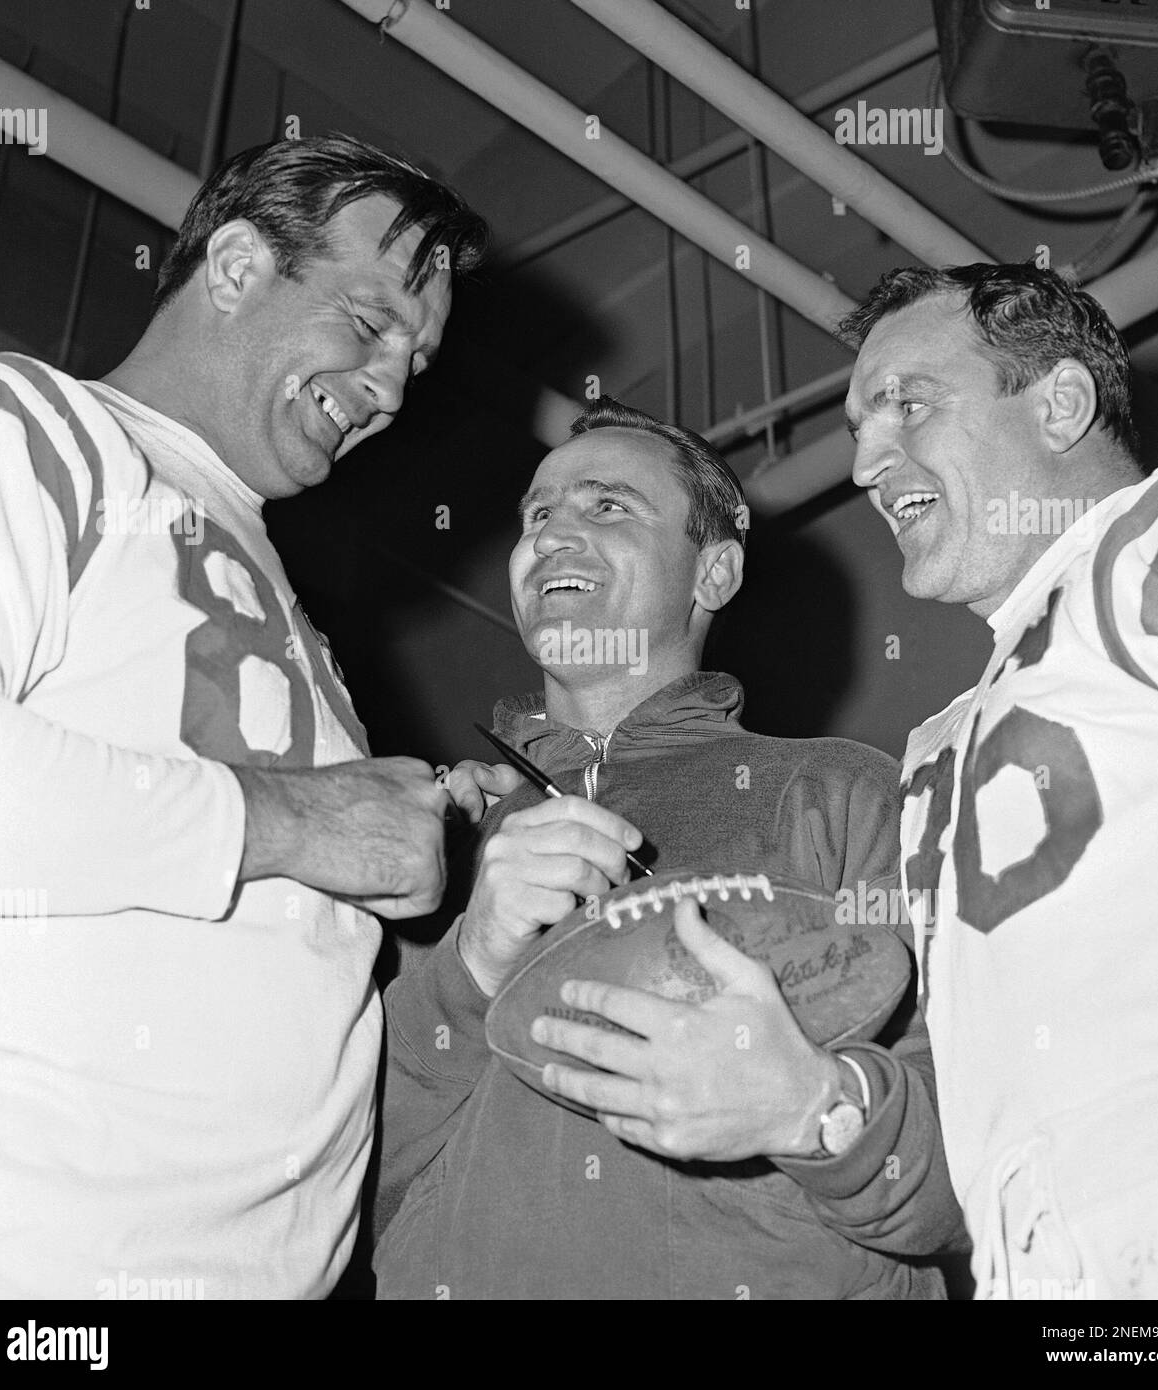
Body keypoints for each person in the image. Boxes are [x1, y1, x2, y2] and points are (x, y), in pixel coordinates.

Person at [0, 135, 488, 1297]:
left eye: (419, 358)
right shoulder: (31, 429)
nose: (395, 389)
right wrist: (295, 821)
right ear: (238, 266)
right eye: (370, 323)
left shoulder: (299, 621)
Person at [373, 396, 962, 1300]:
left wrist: (812, 1110)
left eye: (608, 505)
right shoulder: (430, 845)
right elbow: (333, 1187)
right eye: (537, 515)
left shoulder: (840, 792)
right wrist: (470, 962)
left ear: (714, 572)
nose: (552, 536)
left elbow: (968, 1162)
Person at [840, 262, 1158, 1299]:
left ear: (1058, 403)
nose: (865, 462)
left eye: (905, 406)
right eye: (856, 429)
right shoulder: (934, 746)